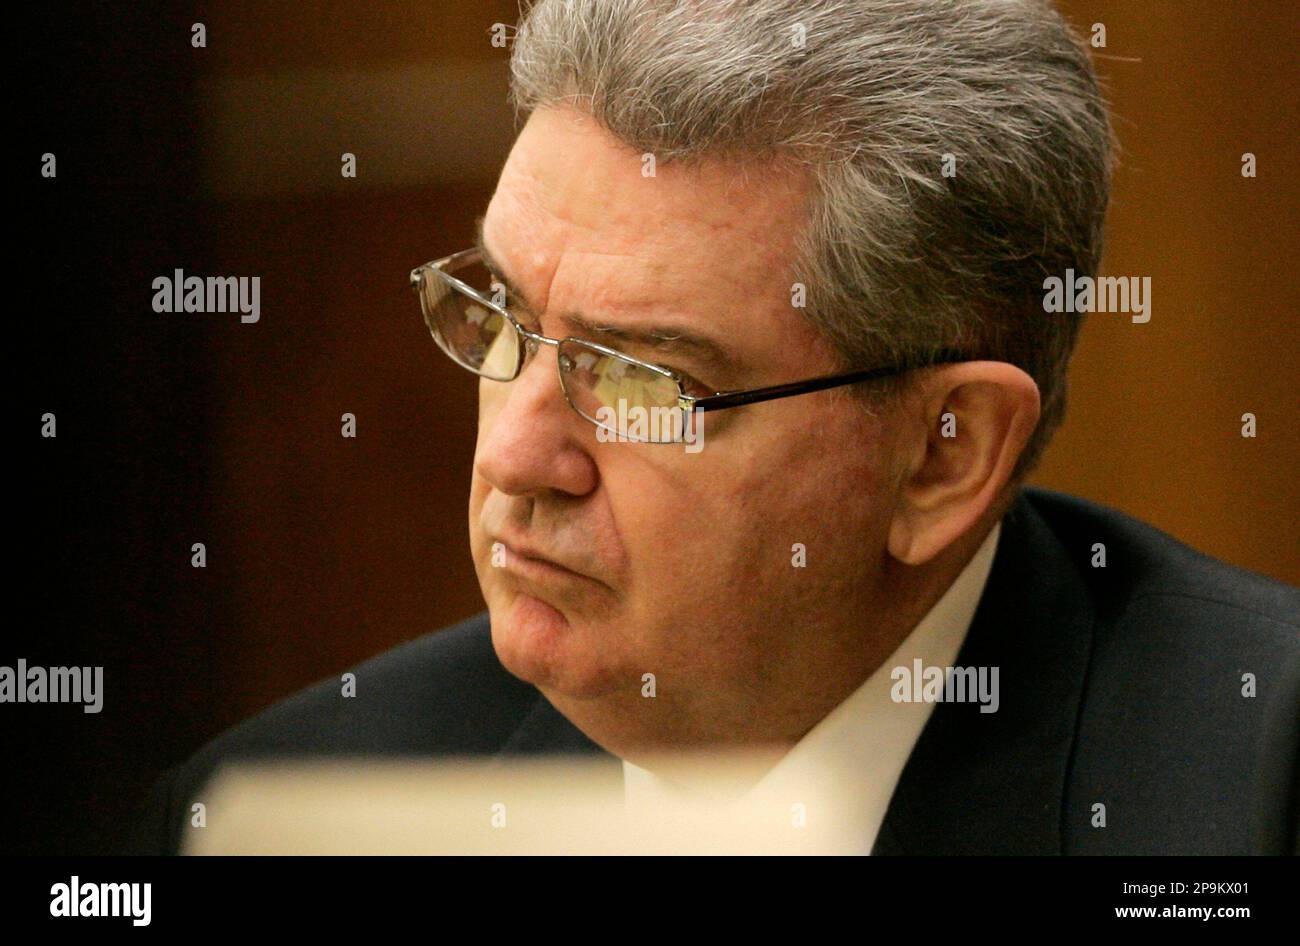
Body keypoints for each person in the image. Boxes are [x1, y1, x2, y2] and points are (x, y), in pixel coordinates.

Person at [124, 0, 1298, 855]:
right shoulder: (278, 807)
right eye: (502, 319)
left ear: (944, 453)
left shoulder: (1252, 791)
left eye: (641, 380)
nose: (516, 458)